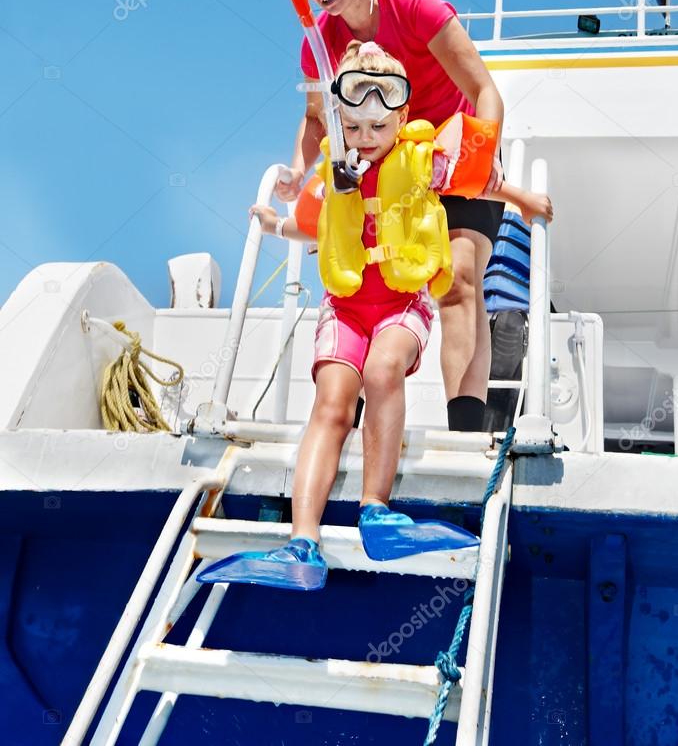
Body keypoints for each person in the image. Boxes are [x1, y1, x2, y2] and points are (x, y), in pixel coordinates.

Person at [199, 41, 552, 590]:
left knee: (383, 371)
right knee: (331, 403)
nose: (366, 138)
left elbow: (478, 181)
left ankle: (377, 511)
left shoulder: (422, 161)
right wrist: (275, 225)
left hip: (401, 303)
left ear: (402, 118)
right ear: (340, 122)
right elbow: (315, 224)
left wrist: (522, 198)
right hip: (345, 308)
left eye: (378, 126)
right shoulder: (334, 173)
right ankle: (301, 544)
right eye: (354, 127)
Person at [273, 0, 507, 433]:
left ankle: (466, 430)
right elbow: (316, 119)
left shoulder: (413, 3)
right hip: (378, 167)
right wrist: (298, 169)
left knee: (460, 276)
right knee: (363, 284)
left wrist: (484, 150)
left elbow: (484, 90)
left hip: (450, 154)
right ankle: (349, 422)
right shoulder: (319, 43)